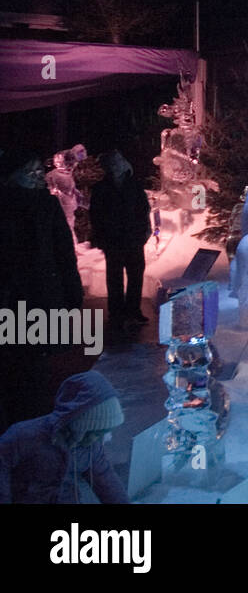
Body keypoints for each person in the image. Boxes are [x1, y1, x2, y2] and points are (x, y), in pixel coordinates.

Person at [0, 149, 84, 429]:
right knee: (17, 363)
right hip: (13, 298)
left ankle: (35, 422)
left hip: (42, 295)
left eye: (39, 171)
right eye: (30, 172)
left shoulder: (46, 206)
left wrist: (72, 294)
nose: (37, 177)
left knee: (38, 363)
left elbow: (64, 253)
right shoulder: (7, 207)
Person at [0, 371, 130, 503]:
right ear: (81, 426)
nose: (101, 439)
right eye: (97, 433)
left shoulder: (89, 448)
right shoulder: (25, 436)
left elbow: (105, 480)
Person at [90, 150, 151, 331]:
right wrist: (101, 236)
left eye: (118, 163)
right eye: (112, 164)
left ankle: (133, 310)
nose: (115, 167)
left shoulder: (134, 186)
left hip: (133, 238)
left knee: (135, 275)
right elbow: (96, 214)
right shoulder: (101, 188)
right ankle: (116, 312)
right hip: (113, 240)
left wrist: (143, 233)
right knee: (114, 276)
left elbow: (143, 210)